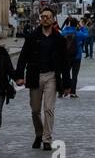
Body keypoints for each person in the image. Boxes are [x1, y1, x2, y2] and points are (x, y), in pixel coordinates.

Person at [15, 9, 68, 149]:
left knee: (49, 109)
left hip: (51, 76)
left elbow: (65, 62)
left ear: (53, 19)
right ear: (40, 19)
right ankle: (39, 133)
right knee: (35, 109)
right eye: (43, 17)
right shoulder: (32, 36)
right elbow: (23, 57)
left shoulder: (59, 38)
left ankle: (47, 139)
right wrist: (19, 76)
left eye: (48, 17)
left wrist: (67, 84)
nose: (45, 19)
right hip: (35, 75)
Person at [60, 17, 81, 97]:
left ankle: (61, 90)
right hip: (77, 56)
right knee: (75, 75)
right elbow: (86, 34)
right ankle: (73, 92)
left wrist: (67, 26)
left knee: (65, 73)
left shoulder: (64, 32)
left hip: (66, 56)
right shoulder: (77, 33)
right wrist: (81, 27)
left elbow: (61, 33)